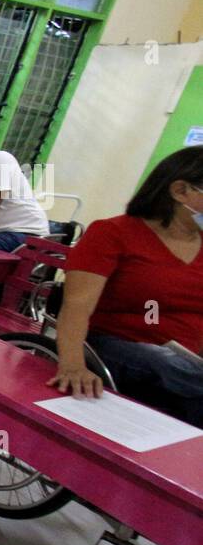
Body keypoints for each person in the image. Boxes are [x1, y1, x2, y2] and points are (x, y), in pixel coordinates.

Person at [48, 146, 203, 427]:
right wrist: (72, 365)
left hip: (187, 362)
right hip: (114, 346)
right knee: (166, 363)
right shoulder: (113, 233)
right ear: (180, 191)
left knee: (180, 369)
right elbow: (76, 307)